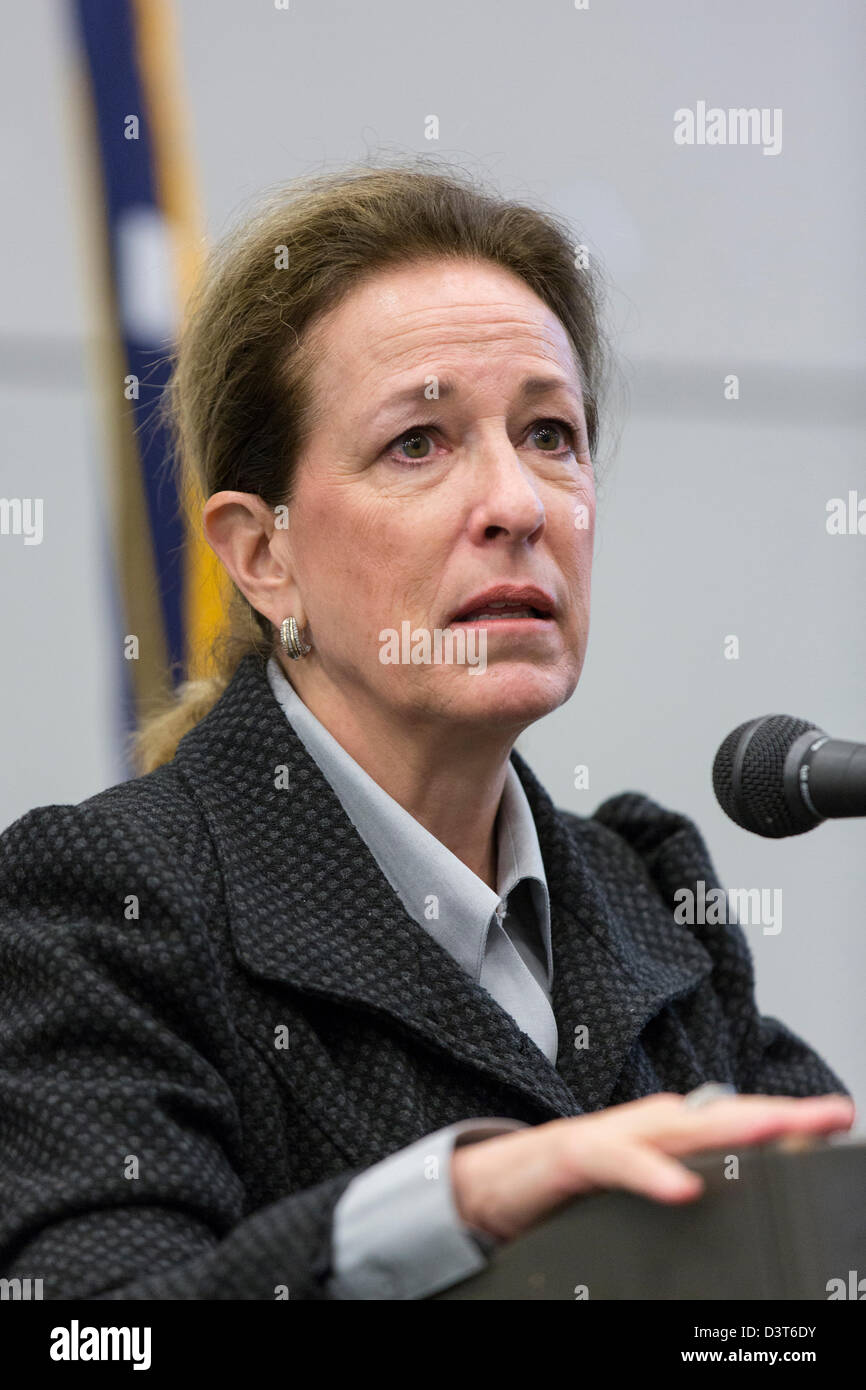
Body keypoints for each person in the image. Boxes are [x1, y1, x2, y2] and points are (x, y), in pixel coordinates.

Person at [0, 162, 852, 1301]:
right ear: (264, 556)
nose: (515, 504)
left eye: (549, 433)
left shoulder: (645, 893)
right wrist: (452, 1202)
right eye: (419, 443)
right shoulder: (106, 901)